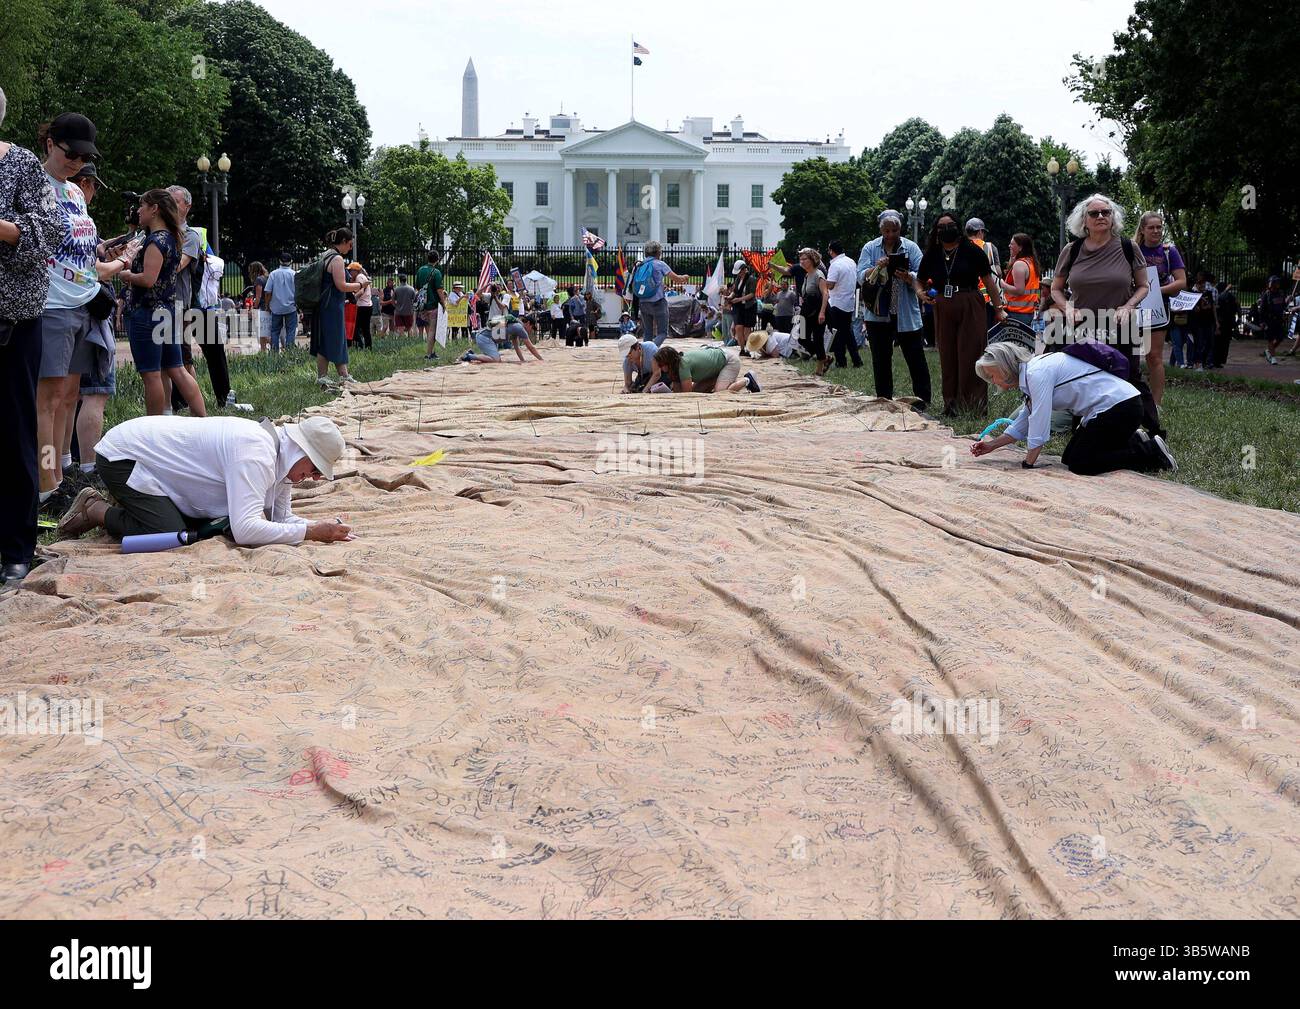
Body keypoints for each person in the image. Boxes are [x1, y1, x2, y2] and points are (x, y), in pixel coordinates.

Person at [56, 415, 354, 546]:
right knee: (169, 533)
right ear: (301, 449)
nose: (312, 479)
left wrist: (317, 527)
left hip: (151, 458)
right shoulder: (257, 453)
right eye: (314, 469)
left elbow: (280, 518)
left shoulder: (282, 457)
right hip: (124, 456)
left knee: (195, 527)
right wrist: (312, 533)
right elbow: (247, 529)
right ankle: (95, 509)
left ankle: (141, 503)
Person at [37, 113, 134, 516]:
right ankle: (46, 485)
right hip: (52, 305)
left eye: (84, 156)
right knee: (48, 399)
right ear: (50, 145)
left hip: (83, 303)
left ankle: (61, 470)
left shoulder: (76, 195)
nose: (77, 162)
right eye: (71, 153)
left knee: (69, 397)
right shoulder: (36, 186)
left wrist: (98, 269)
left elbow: (80, 252)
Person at [0, 88, 63, 587]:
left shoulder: (21, 165)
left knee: (14, 430)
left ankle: (17, 547)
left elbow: (46, 236)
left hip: (11, 322)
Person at [970, 341, 1176, 475]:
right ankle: (1134, 439)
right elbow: (1024, 421)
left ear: (1005, 368)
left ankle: (1152, 452)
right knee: (1069, 458)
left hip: (1121, 407)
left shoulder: (1036, 373)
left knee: (1082, 463)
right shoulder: (1033, 372)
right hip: (1116, 408)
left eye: (991, 375)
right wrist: (992, 446)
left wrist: (1028, 464)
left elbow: (1038, 423)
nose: (992, 381)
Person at [121, 189, 207, 417]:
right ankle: (201, 417)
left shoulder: (155, 242)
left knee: (151, 374)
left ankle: (154, 427)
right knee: (177, 368)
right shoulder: (172, 238)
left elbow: (148, 279)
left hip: (148, 313)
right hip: (167, 311)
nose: (138, 210)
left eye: (142, 205)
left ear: (154, 209)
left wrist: (127, 275)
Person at [1048, 194, 1149, 379]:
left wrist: (1129, 306)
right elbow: (1055, 289)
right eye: (1094, 213)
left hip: (1120, 328)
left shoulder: (1129, 247)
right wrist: (1067, 308)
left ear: (1113, 218)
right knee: (1080, 381)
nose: (1101, 216)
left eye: (1106, 212)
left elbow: (1143, 286)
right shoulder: (1072, 250)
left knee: (1127, 381)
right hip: (1081, 326)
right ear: (1084, 221)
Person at [915, 212, 1005, 415]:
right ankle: (951, 405)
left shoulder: (972, 251)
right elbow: (919, 281)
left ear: (958, 227)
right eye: (941, 226)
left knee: (971, 353)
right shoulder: (932, 253)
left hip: (969, 301)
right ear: (936, 231)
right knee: (947, 354)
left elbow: (989, 282)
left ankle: (973, 405)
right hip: (943, 305)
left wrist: (999, 309)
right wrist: (921, 294)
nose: (946, 229)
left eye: (950, 225)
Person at [167, 185, 232, 411]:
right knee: (180, 355)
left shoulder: (195, 235)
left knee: (213, 354)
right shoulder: (160, 232)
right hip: (180, 305)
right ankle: (180, 402)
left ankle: (224, 398)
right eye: (167, 200)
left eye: (175, 201)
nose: (171, 205)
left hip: (199, 305)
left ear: (187, 205)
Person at [858, 210, 930, 409]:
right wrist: (876, 267)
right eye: (887, 230)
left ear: (900, 229)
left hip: (905, 310)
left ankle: (923, 399)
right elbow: (860, 276)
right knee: (880, 359)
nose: (890, 234)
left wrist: (909, 277)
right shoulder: (870, 248)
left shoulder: (911, 247)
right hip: (877, 313)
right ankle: (884, 397)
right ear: (881, 230)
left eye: (895, 230)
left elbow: (923, 274)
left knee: (915, 357)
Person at [1130, 212, 1186, 402]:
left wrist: (1157, 291)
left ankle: (1155, 403)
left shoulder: (1170, 251)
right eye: (1151, 227)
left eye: (1159, 227)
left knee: (1154, 356)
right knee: (1131, 356)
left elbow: (1181, 282)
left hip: (1157, 307)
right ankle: (1129, 400)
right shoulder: (1132, 249)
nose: (1156, 231)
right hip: (1133, 306)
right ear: (1143, 230)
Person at [315, 227, 364, 387]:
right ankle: (337, 375)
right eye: (350, 245)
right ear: (343, 242)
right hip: (332, 305)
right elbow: (341, 285)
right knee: (337, 339)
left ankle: (333, 375)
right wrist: (360, 284)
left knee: (328, 340)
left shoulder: (325, 255)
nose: (350, 248)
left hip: (323, 304)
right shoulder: (336, 259)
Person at [631, 240, 689, 345]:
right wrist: (685, 277)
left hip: (643, 301)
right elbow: (677, 279)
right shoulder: (659, 264)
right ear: (658, 253)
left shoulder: (640, 265)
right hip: (658, 301)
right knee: (662, 332)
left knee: (647, 333)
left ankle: (645, 353)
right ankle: (651, 351)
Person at [649, 345, 759, 394]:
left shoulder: (683, 365)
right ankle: (722, 381)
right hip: (717, 364)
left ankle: (748, 379)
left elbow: (687, 394)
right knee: (698, 391)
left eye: (661, 364)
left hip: (729, 361)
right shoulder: (677, 364)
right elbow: (678, 393)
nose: (660, 368)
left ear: (669, 362)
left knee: (720, 393)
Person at [821, 240, 862, 371]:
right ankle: (856, 360)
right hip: (849, 302)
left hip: (837, 303)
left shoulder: (835, 265)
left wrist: (822, 283)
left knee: (837, 335)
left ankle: (841, 361)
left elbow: (831, 284)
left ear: (832, 251)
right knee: (848, 333)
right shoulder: (851, 262)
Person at [965, 218, 1002, 329]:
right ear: (980, 231)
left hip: (966, 298)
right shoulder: (990, 247)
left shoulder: (960, 247)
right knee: (986, 332)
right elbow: (998, 273)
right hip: (987, 300)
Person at [796, 249, 829, 373]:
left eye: (805, 259)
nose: (802, 261)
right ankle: (824, 357)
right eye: (801, 259)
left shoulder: (818, 274)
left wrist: (822, 312)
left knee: (818, 338)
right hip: (806, 311)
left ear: (812, 260)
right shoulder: (806, 275)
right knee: (801, 338)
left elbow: (825, 293)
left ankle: (819, 369)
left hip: (817, 310)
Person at [462, 313, 543, 364]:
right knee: (496, 360)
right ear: (528, 323)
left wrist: (523, 361)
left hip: (484, 338)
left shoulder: (516, 326)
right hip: (484, 338)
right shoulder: (520, 328)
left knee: (496, 360)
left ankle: (471, 353)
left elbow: (517, 347)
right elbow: (531, 347)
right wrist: (541, 360)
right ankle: (469, 356)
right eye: (532, 328)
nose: (531, 331)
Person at [415, 251, 447, 360]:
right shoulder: (436, 272)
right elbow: (439, 290)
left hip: (423, 306)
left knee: (429, 330)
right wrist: (443, 303)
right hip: (433, 305)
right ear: (437, 260)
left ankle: (432, 352)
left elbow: (418, 288)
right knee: (432, 330)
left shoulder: (420, 270)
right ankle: (428, 354)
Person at [264, 252, 298, 352]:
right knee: (290, 331)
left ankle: (274, 353)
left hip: (276, 307)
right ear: (291, 261)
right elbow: (298, 291)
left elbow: (268, 292)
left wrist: (267, 305)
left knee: (275, 331)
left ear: (280, 261)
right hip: (291, 307)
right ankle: (289, 352)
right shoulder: (294, 274)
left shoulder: (273, 274)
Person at [727, 260, 759, 352]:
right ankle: (742, 349)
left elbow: (752, 294)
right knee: (738, 327)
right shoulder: (737, 279)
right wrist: (729, 297)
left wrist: (739, 299)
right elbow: (735, 291)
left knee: (747, 329)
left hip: (749, 307)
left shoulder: (752, 279)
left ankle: (749, 349)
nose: (739, 274)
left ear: (744, 269)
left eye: (740, 271)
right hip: (738, 307)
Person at [1258, 276, 1289, 365]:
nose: (1276, 285)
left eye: (1277, 283)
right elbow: (1262, 310)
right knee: (1270, 339)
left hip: (1278, 320)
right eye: (1275, 283)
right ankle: (1273, 358)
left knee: (1280, 338)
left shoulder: (1280, 294)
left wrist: (1287, 302)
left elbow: (1283, 306)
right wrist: (1261, 322)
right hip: (1269, 320)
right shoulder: (1266, 295)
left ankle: (1268, 351)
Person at [349, 261, 373, 348]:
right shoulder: (361, 276)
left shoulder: (359, 277)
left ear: (356, 270)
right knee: (365, 328)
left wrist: (352, 299)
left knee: (356, 328)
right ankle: (367, 347)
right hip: (367, 306)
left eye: (351, 270)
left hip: (362, 306)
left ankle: (360, 346)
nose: (350, 272)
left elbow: (361, 291)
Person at [248, 261, 271, 351]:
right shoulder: (267, 278)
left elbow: (258, 296)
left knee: (262, 332)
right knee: (264, 332)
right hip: (268, 307)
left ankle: (265, 349)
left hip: (261, 308)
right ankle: (263, 350)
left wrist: (254, 308)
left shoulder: (259, 280)